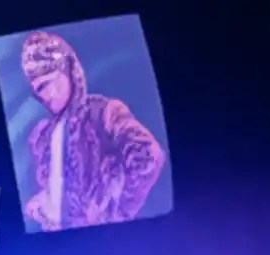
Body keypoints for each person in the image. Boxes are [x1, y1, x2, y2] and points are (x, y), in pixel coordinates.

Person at [19, 31, 165, 231]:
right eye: (38, 90)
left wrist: (116, 214)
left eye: (47, 83)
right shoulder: (42, 136)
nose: (46, 96)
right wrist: (43, 203)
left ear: (68, 70)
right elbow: (56, 189)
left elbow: (149, 156)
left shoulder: (103, 113)